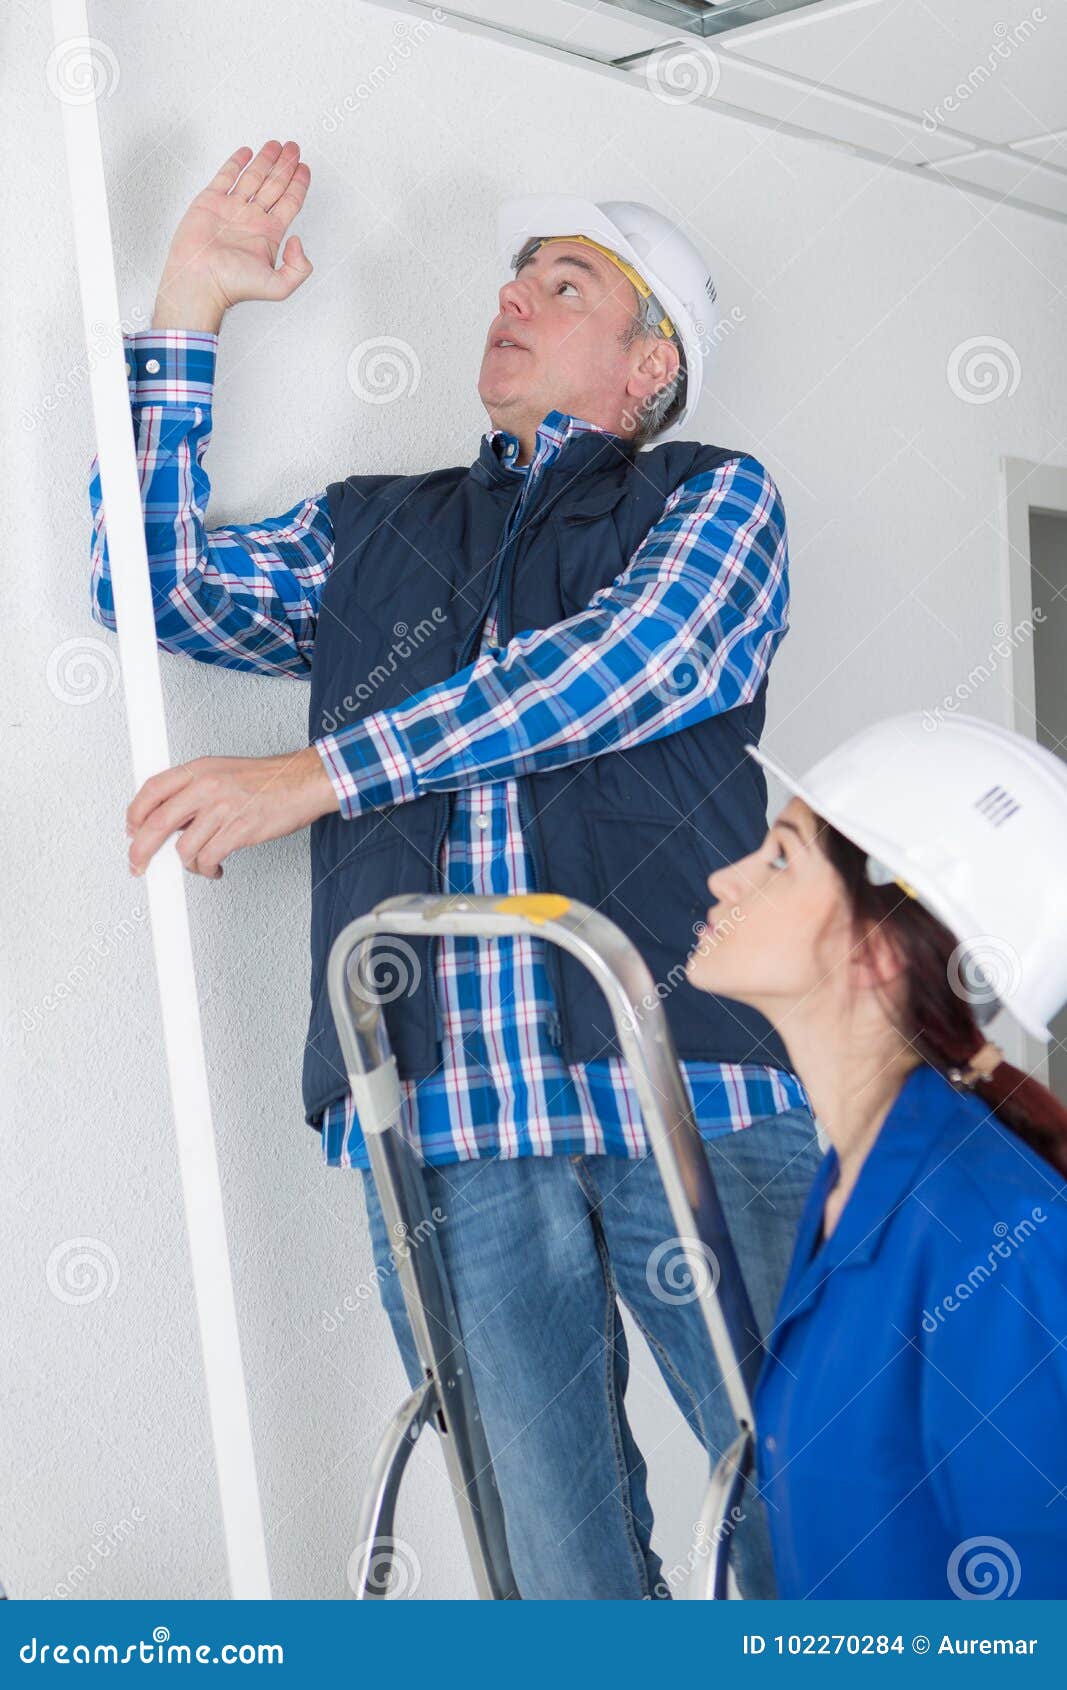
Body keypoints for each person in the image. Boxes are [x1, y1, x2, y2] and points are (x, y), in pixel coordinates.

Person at [90, 140, 822, 1599]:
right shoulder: (376, 530)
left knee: (820, 1491)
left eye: (564, 284)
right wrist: (190, 306)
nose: (514, 296)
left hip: (688, 1080)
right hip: (445, 1113)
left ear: (646, 366)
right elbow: (152, 585)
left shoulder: (710, 499)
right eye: (512, 275)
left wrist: (316, 775)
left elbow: (625, 666)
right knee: (550, 1562)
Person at [685, 711, 1067, 1597]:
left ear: (877, 951)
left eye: (779, 857)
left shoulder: (992, 1237)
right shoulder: (852, 1185)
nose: (722, 875)